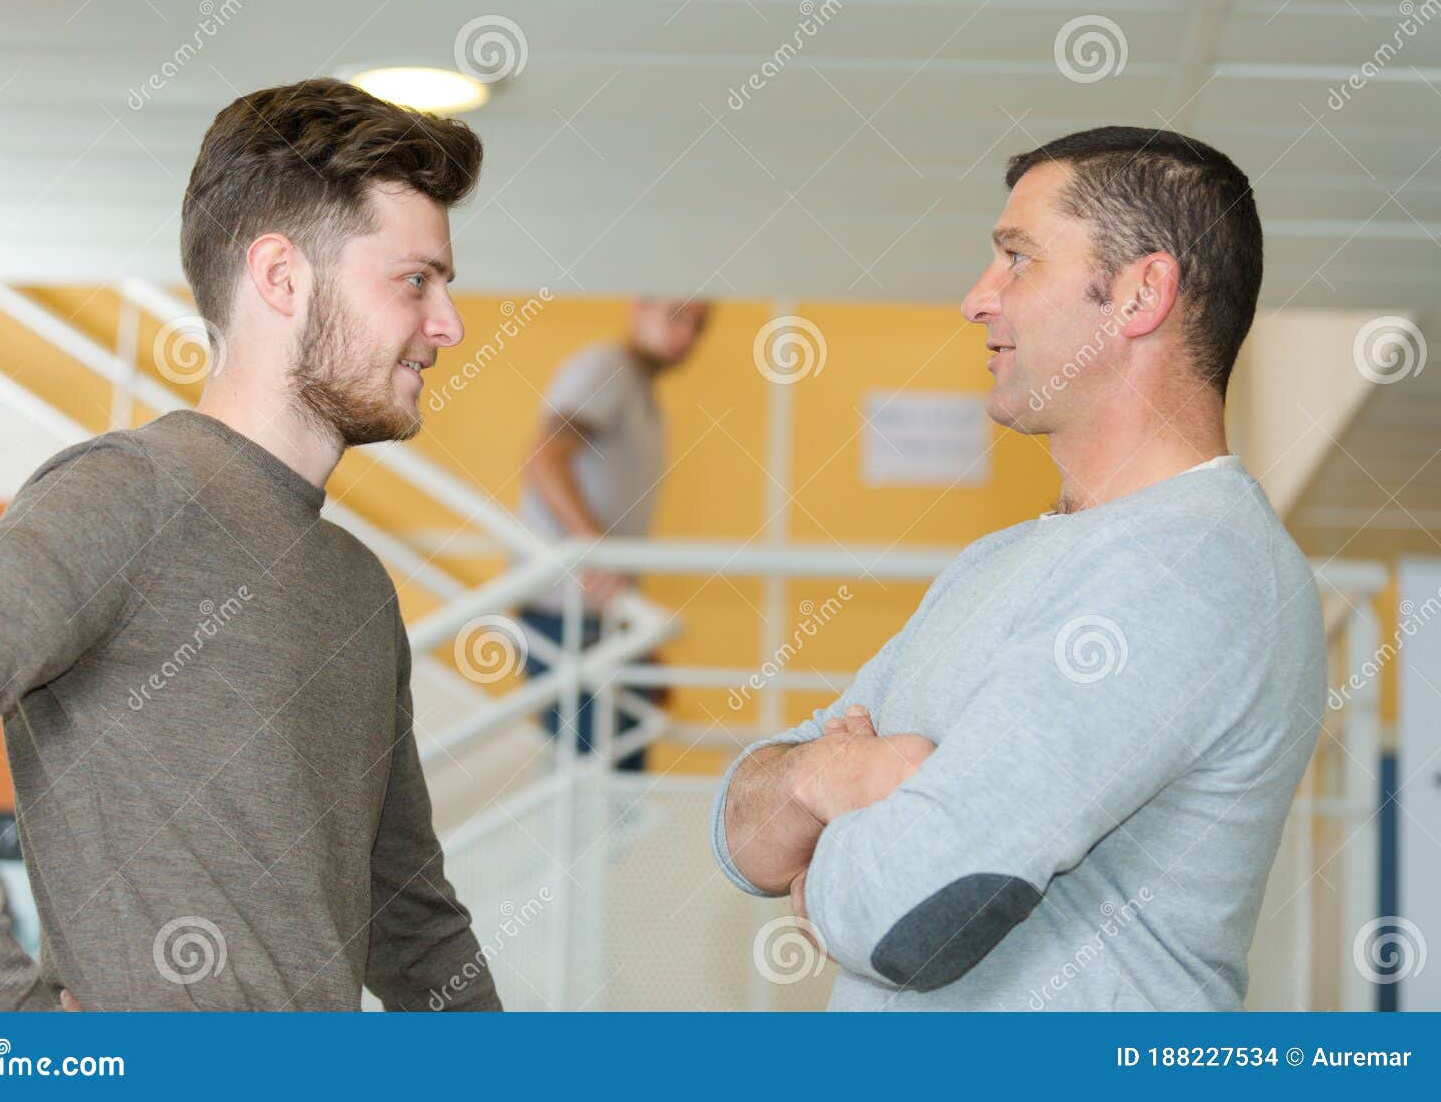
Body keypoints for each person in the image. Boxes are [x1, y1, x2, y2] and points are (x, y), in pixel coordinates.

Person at [0, 78, 501, 1012]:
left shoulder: (358, 588)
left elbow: (412, 922)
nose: (448, 323)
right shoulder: (131, 495)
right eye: (414, 280)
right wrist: (14, 1031)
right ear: (282, 276)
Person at [712, 126, 1326, 1011]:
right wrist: (827, 776)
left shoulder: (1195, 568)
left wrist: (831, 845)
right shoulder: (998, 561)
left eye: (1016, 259)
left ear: (1139, 294)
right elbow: (740, 838)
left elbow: (907, 915)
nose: (976, 298)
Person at [519, 298, 711, 771]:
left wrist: (643, 641)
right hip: (565, 618)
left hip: (604, 620)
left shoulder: (639, 389)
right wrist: (593, 551)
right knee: (594, 792)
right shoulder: (606, 367)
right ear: (638, 308)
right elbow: (544, 456)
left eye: (698, 325)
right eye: (675, 315)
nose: (686, 335)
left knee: (619, 788)